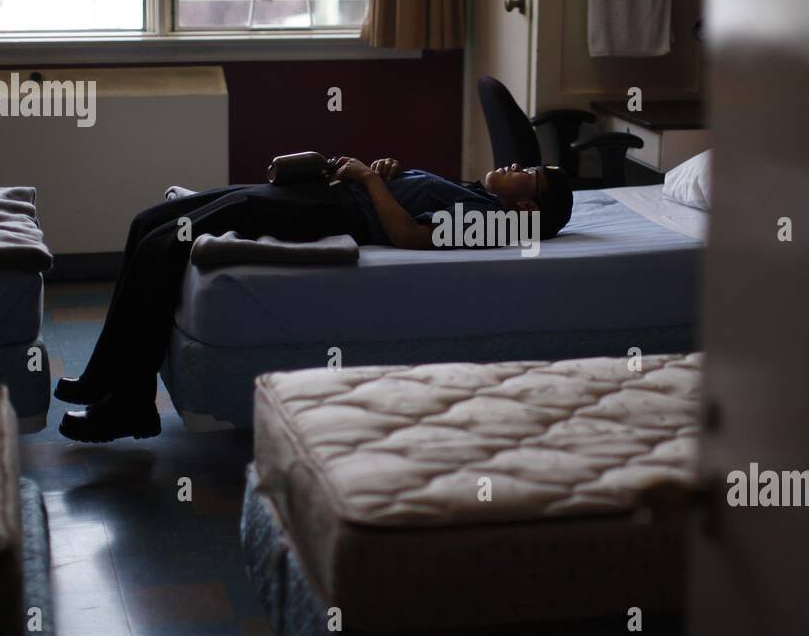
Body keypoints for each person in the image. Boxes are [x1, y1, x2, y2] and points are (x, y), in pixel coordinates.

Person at [56, 157, 575, 442]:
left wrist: (371, 181)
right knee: (148, 221)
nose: (512, 163)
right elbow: (411, 209)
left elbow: (408, 237)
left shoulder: (496, 223)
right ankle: (123, 390)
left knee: (166, 241)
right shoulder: (480, 197)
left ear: (527, 203)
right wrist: (390, 173)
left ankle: (123, 399)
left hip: (326, 213)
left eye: (526, 171)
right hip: (327, 193)